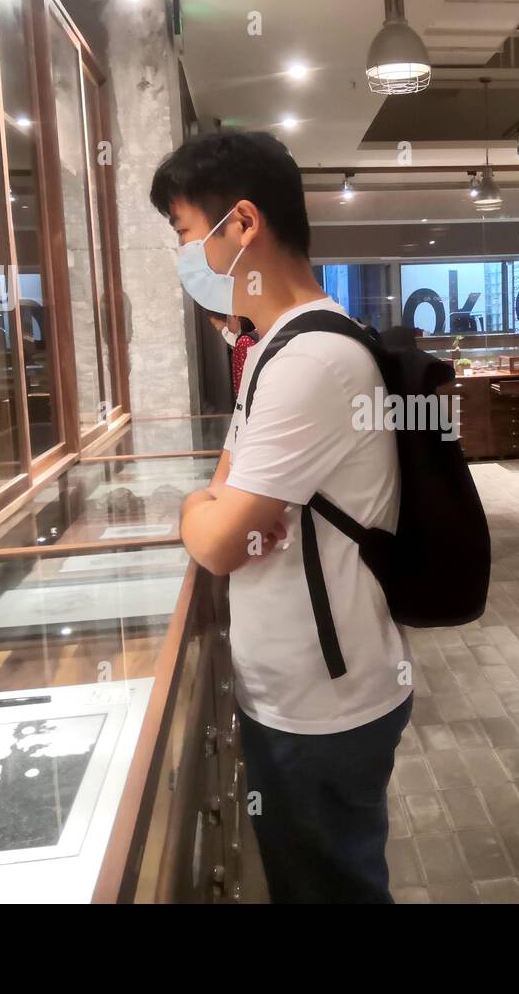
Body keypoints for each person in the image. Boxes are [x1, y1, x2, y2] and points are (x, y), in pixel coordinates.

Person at [149, 131, 411, 904]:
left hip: (320, 703)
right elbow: (230, 488)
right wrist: (211, 505)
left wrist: (188, 511)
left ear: (243, 224)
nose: (184, 256)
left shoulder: (308, 361)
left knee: (329, 889)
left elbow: (223, 538)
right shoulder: (274, 347)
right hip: (303, 690)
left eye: (186, 234)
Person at [209, 312, 257, 394]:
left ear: (236, 316)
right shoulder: (257, 333)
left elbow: (241, 376)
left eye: (228, 321)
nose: (227, 326)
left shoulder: (243, 342)